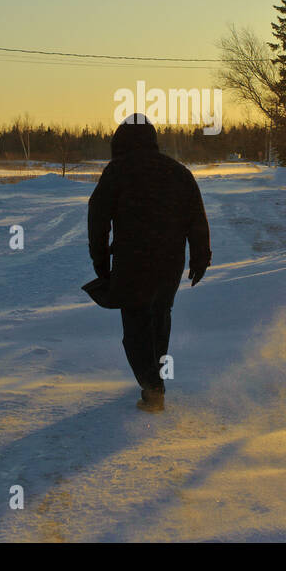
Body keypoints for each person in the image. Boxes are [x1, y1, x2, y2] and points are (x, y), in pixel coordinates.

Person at [87, 114, 211, 412]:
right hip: (170, 263)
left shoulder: (117, 171)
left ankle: (153, 388)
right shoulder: (178, 172)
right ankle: (153, 381)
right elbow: (196, 217)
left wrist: (101, 263)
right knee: (159, 317)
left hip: (133, 262)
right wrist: (200, 257)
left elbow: (98, 220)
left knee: (136, 325)